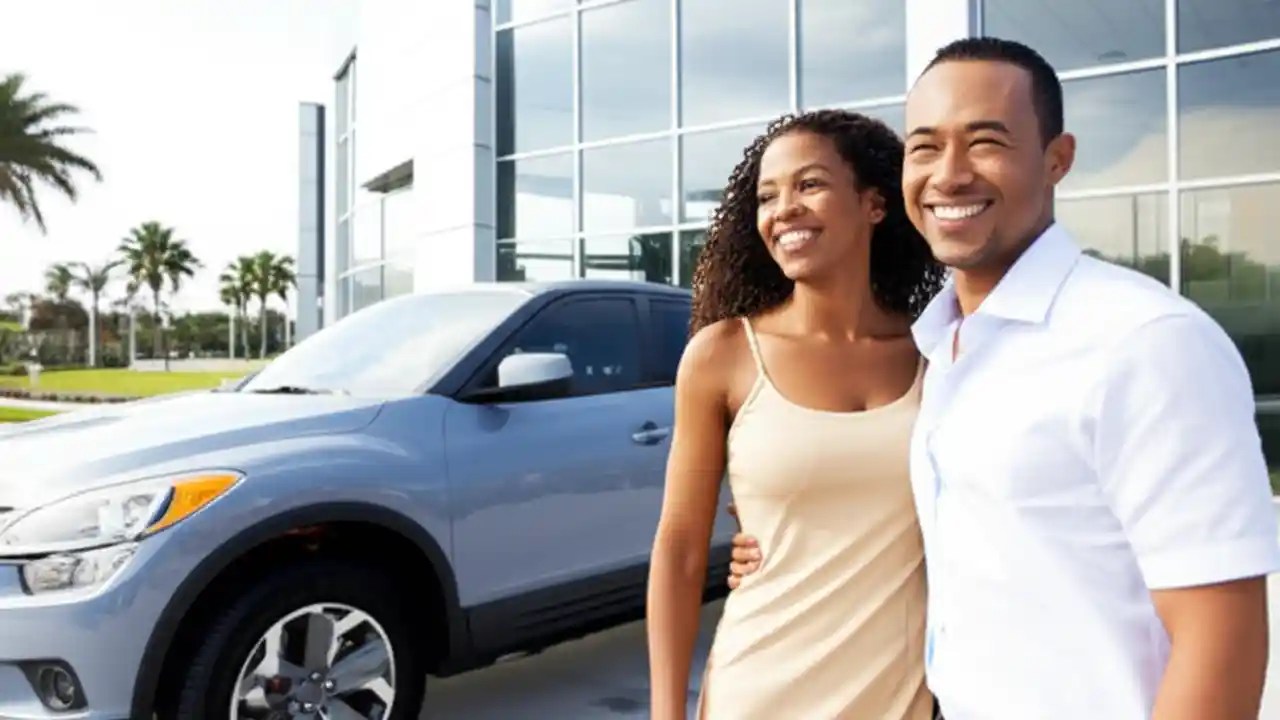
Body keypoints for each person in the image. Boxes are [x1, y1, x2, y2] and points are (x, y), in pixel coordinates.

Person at [726, 37, 1280, 720]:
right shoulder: (939, 346)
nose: (949, 175)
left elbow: (1222, 635)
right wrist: (779, 527)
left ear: (1057, 159)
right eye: (925, 148)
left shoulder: (1143, 343)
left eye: (985, 142)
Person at [645, 108, 946, 720]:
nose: (783, 209)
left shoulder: (936, 355)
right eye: (767, 195)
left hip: (896, 699)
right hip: (758, 688)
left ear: (874, 205)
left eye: (809, 184)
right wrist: (666, 712)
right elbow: (678, 549)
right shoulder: (724, 355)